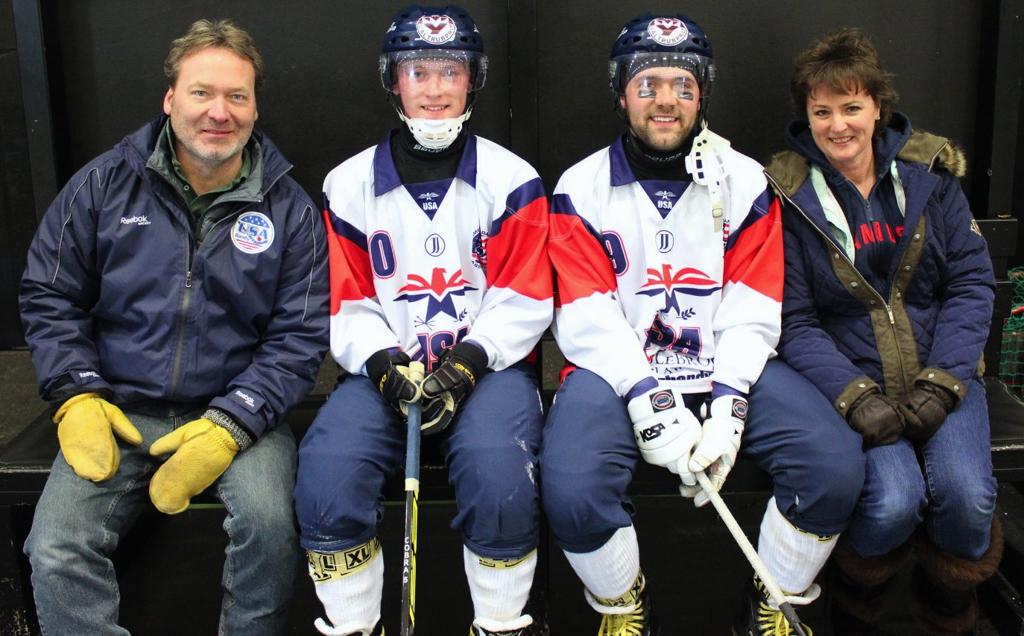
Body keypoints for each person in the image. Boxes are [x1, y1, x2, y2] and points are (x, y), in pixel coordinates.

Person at [543, 13, 865, 635]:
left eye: (683, 86)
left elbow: (752, 303)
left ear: (702, 96)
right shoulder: (580, 187)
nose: (666, 100)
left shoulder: (743, 180)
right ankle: (622, 604)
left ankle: (775, 597)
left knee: (833, 467)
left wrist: (727, 409)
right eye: (649, 84)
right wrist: (647, 400)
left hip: (724, 365)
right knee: (572, 489)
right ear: (622, 94)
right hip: (620, 373)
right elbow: (584, 312)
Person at [18, 18, 329, 636]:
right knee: (54, 546)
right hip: (119, 406)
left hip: (242, 415)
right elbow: (49, 295)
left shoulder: (290, 210)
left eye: (237, 96)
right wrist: (76, 392)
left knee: (269, 527)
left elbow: (299, 336)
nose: (220, 111)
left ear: (254, 106)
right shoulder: (103, 184)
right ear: (170, 100)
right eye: (201, 92)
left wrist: (233, 422)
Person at [293, 5, 552, 635]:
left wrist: (468, 363)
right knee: (327, 478)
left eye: (450, 71)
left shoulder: (513, 180)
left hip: (486, 374)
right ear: (394, 81)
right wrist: (382, 364)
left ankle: (498, 624)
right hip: (384, 372)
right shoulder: (347, 184)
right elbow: (348, 300)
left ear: (473, 80)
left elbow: (523, 296)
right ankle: (355, 625)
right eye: (418, 72)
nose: (435, 90)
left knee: (500, 476)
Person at [765, 28, 1000, 635]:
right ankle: (857, 612)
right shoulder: (786, 195)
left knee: (966, 501)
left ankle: (948, 611)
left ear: (878, 108)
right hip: (858, 387)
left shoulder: (929, 177)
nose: (837, 125)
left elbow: (972, 287)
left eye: (851, 107)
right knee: (893, 503)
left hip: (943, 375)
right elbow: (794, 319)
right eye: (822, 111)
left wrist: (944, 382)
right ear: (807, 116)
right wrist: (855, 397)